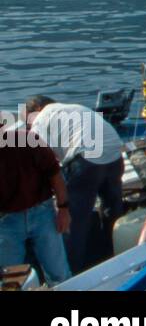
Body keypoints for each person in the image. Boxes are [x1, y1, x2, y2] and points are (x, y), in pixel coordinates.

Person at [25, 97, 124, 274]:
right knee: (111, 209)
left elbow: (43, 163)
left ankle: (73, 274)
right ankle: (113, 254)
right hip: (115, 153)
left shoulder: (40, 120)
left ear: (37, 109)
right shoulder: (75, 107)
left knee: (74, 223)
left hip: (88, 161)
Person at [0, 123, 72, 284]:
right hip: (5, 221)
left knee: (59, 273)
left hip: (43, 212)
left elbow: (55, 175)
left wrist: (63, 209)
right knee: (11, 280)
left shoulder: (28, 139)